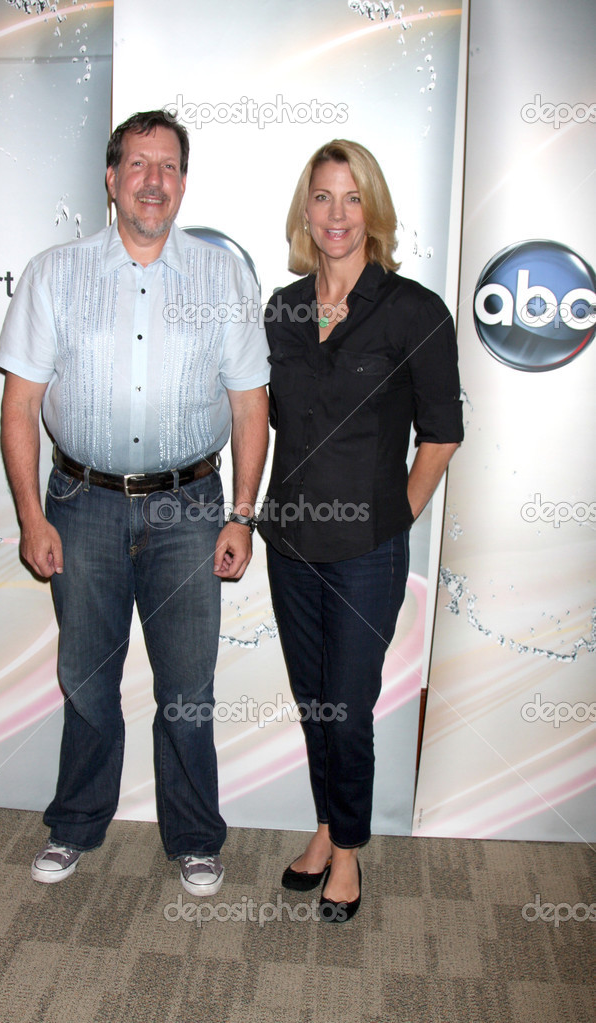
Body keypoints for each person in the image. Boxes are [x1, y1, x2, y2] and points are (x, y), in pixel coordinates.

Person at [0, 110, 269, 896]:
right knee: (87, 678)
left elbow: (251, 406)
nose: (154, 180)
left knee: (188, 685)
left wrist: (242, 515)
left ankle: (193, 837)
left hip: (191, 508)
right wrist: (31, 515)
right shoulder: (55, 273)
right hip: (80, 504)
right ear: (111, 179)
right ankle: (76, 823)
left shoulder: (224, 277)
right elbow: (20, 407)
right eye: (139, 165)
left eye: (170, 166)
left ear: (184, 182)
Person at [258, 140, 463, 922]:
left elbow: (440, 435)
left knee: (347, 707)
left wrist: (393, 518)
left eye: (351, 198)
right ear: (304, 210)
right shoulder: (282, 309)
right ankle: (324, 824)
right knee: (315, 703)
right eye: (322, 197)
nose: (336, 215)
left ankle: (347, 853)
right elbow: (266, 422)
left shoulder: (413, 310)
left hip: (366, 553)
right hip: (292, 546)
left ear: (372, 211)